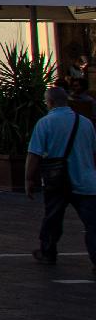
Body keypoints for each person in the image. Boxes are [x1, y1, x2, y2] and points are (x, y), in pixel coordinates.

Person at [26, 85, 96, 273]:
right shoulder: (85, 122)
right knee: (92, 223)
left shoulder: (45, 123)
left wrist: (29, 179)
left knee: (53, 218)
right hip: (86, 179)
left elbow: (34, 154)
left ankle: (48, 252)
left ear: (49, 102)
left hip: (57, 180)